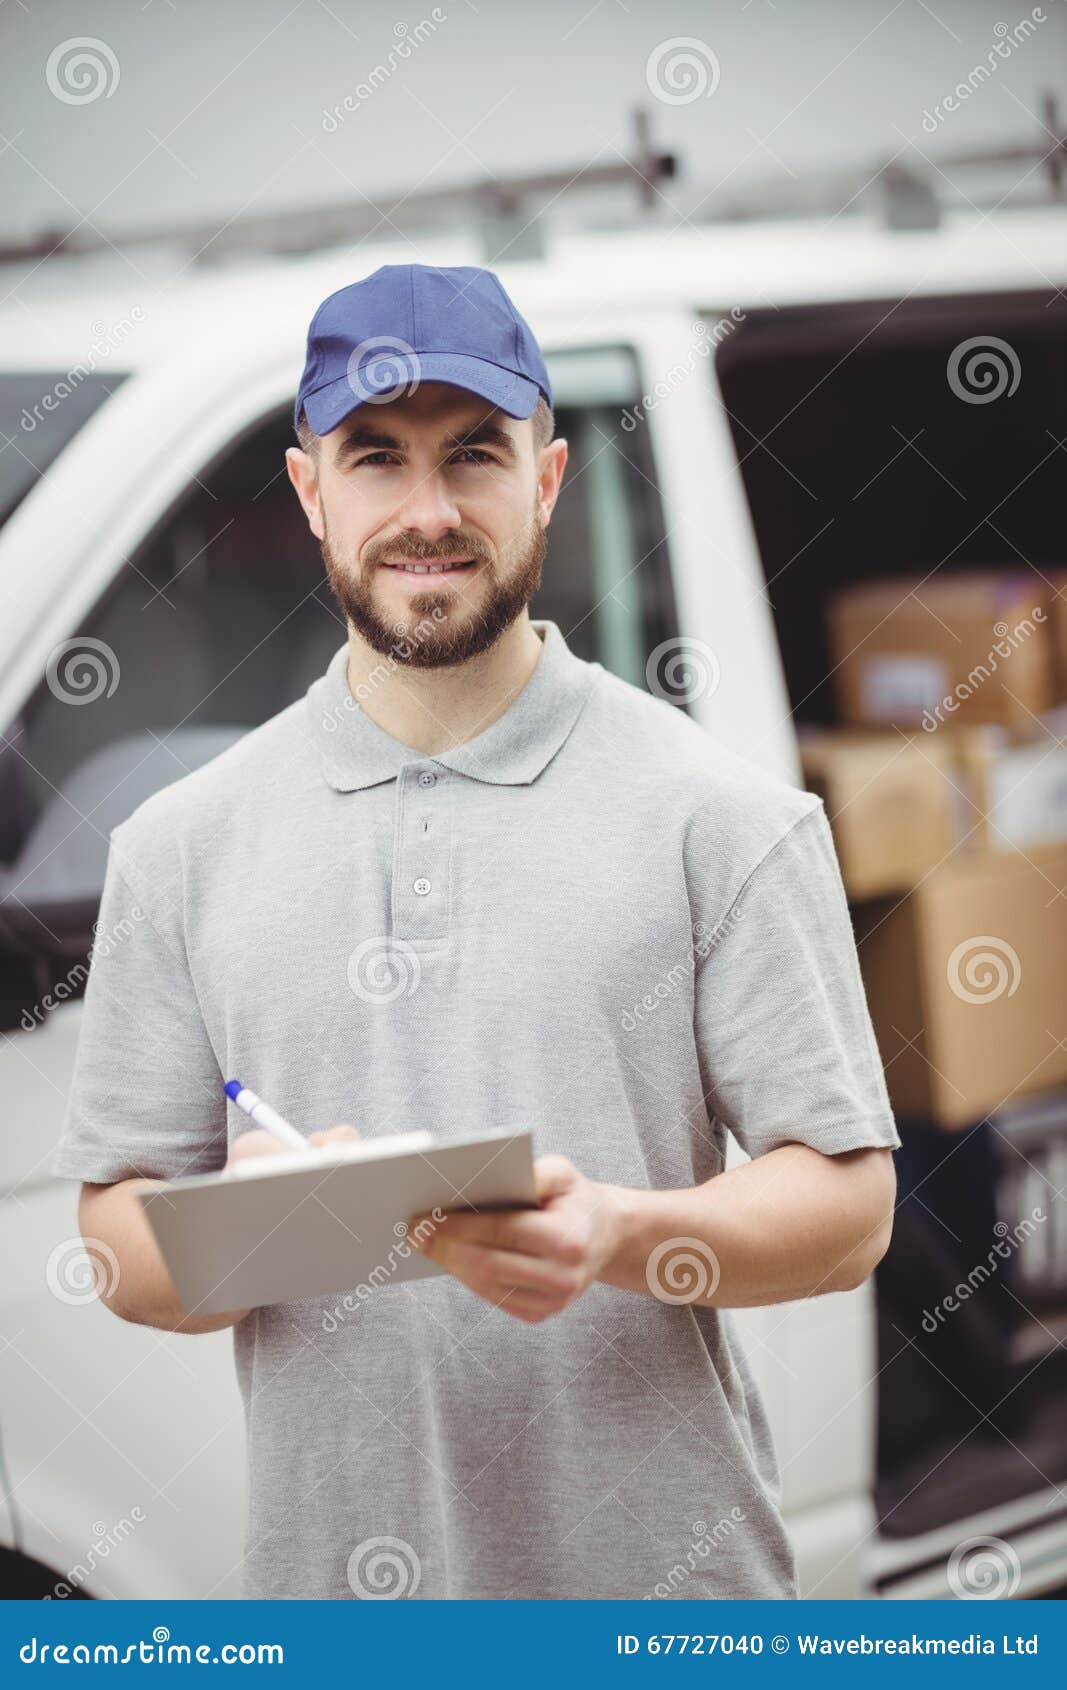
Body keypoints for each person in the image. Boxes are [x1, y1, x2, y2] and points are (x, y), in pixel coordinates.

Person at [53, 262, 899, 1602]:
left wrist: (621, 1232)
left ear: (549, 480)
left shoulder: (721, 818)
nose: (430, 511)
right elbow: (114, 1238)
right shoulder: (178, 849)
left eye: (476, 456)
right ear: (309, 488)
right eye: (378, 458)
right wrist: (259, 1231)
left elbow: (852, 1210)